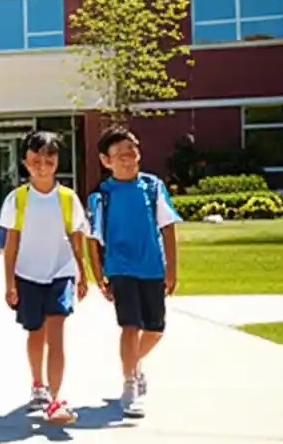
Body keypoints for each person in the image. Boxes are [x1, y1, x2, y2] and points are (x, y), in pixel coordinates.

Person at [87, 125, 181, 419]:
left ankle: (133, 364)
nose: (128, 158)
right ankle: (130, 384)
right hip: (120, 267)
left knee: (155, 328)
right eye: (120, 154)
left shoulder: (153, 187)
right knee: (130, 325)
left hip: (151, 266)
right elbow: (94, 237)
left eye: (132, 152)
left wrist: (172, 269)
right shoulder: (102, 194)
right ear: (106, 160)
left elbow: (167, 227)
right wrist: (98, 272)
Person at [0, 131, 91, 425]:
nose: (43, 164)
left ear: (57, 161)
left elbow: (77, 238)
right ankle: (38, 384)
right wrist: (10, 282)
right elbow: (10, 244)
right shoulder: (18, 199)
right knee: (35, 332)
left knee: (57, 335)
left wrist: (82, 273)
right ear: (26, 162)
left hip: (60, 273)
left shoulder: (67, 198)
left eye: (49, 158)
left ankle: (56, 398)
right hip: (27, 275)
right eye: (36, 158)